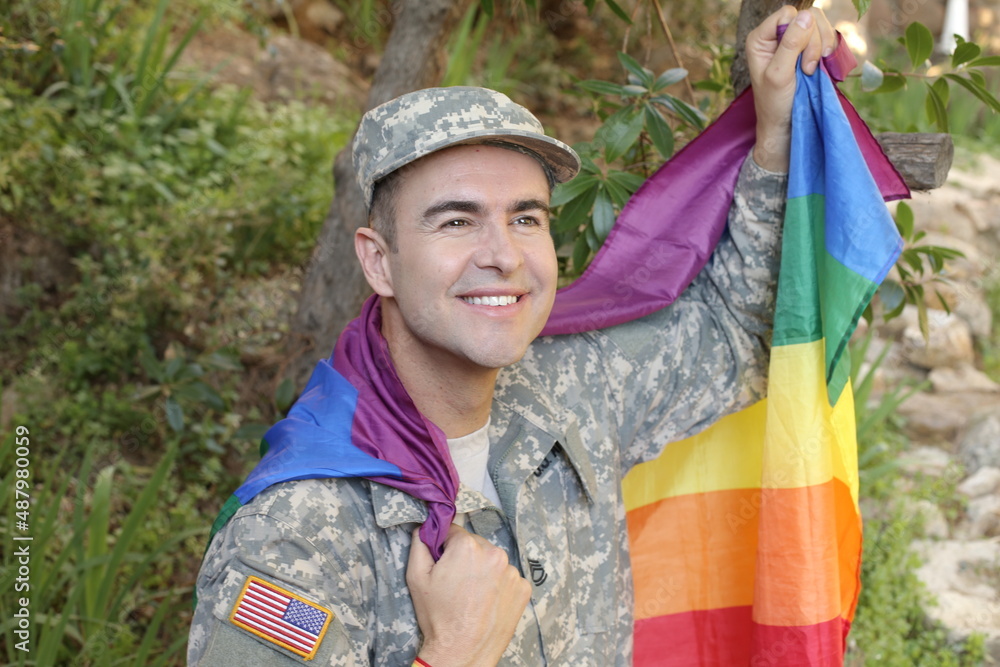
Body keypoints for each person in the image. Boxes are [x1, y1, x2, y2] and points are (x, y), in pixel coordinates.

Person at [189, 7, 840, 665]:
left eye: (525, 218)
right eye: (455, 222)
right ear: (378, 260)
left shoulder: (573, 389)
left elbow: (738, 331)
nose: (502, 254)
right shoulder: (299, 531)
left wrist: (780, 136)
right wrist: (451, 653)